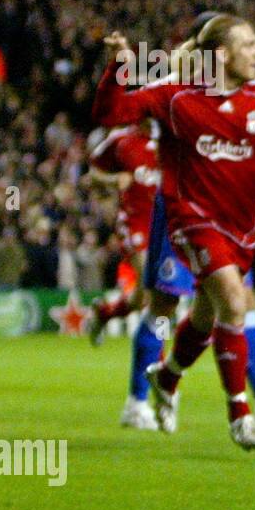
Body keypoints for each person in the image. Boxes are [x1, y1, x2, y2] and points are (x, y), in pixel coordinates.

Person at [91, 15, 255, 449]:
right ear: (221, 54)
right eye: (249, 44)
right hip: (185, 221)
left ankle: (169, 374)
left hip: (239, 229)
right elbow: (110, 114)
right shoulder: (176, 97)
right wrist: (117, 69)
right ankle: (237, 414)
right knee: (195, 303)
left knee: (211, 312)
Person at [84, 122, 161, 348]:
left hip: (164, 223)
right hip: (134, 221)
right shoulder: (122, 139)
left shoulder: (174, 137)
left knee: (143, 297)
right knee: (155, 287)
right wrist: (113, 180)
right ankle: (160, 369)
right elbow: (93, 173)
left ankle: (105, 314)